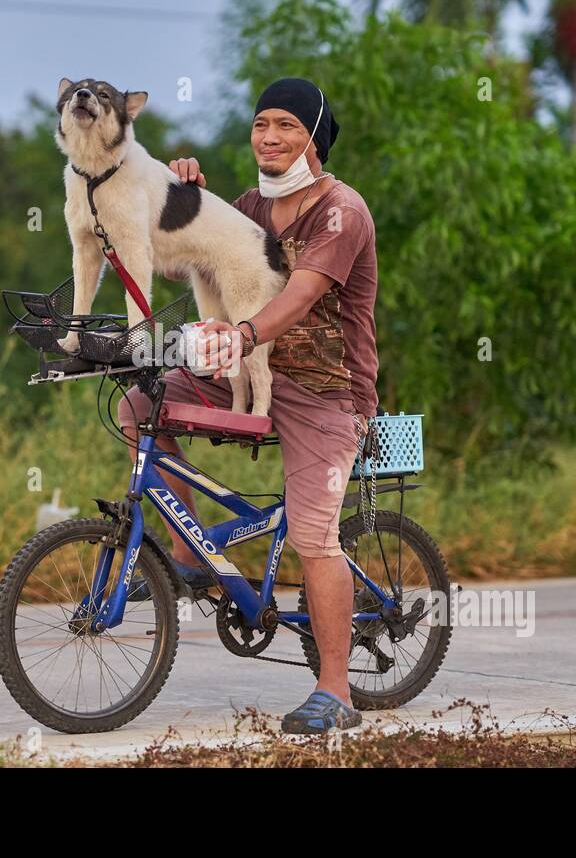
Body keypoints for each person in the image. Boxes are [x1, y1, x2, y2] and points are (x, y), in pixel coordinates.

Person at [117, 77, 380, 734]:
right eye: (261, 123)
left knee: (316, 536)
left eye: (285, 125)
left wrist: (244, 332)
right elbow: (185, 263)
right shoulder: (247, 206)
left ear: (313, 139)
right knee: (138, 405)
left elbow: (297, 296)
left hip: (326, 390)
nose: (268, 136)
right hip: (247, 371)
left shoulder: (341, 211)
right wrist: (179, 202)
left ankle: (337, 690)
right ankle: (185, 553)